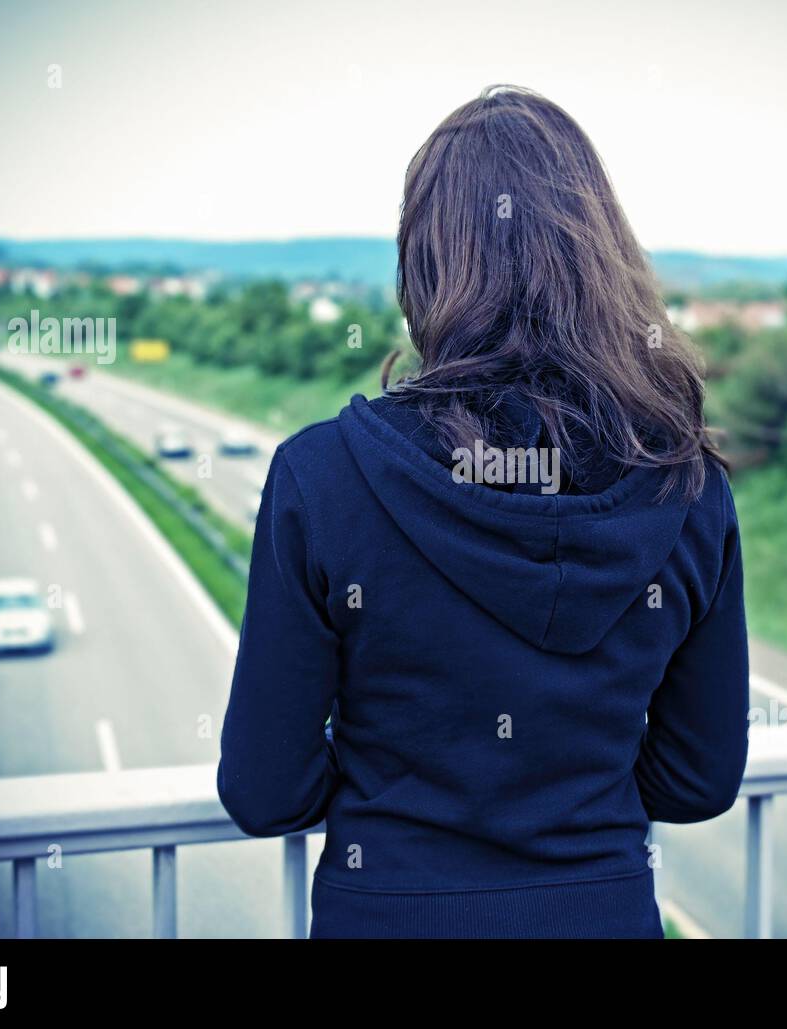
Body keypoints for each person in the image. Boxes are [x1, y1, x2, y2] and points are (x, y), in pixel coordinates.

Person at [217, 85, 749, 939]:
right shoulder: (687, 485)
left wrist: (396, 810)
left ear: (424, 263)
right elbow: (699, 778)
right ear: (600, 255)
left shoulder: (321, 478)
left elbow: (263, 787)